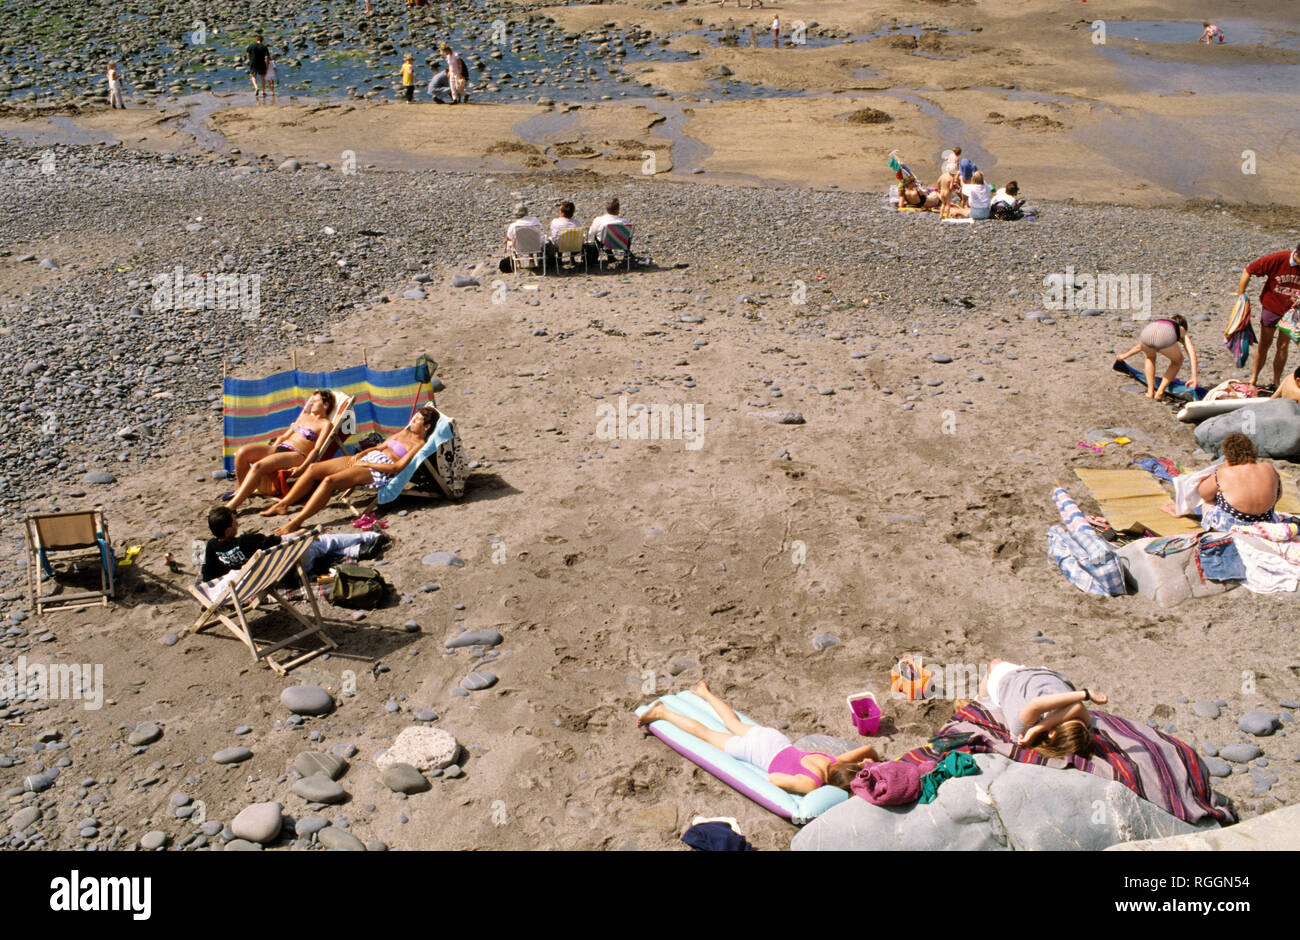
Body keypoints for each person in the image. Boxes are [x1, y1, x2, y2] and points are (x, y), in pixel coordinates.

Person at [637, 681, 880, 794]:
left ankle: (704, 692)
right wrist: (807, 790)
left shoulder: (833, 760)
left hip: (773, 739)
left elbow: (868, 749)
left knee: (732, 722)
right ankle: (662, 712)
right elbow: (774, 779)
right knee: (706, 733)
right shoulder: (812, 783)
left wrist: (874, 763)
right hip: (756, 752)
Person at [260, 404, 440, 534]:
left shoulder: (419, 444)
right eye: (414, 417)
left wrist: (367, 464)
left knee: (330, 481)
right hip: (367, 459)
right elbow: (380, 447)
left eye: (418, 420)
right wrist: (361, 455)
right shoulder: (404, 431)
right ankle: (283, 505)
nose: (413, 421)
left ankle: (296, 522)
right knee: (314, 468)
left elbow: (396, 467)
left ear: (426, 427)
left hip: (377, 470)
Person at [201, 507, 386, 584]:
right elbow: (281, 541)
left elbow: (209, 576)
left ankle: (362, 550)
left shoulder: (212, 548)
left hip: (266, 579)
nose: (237, 524)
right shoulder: (248, 541)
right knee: (324, 541)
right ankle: (373, 535)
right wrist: (305, 532)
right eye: (234, 523)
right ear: (227, 530)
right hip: (289, 570)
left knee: (319, 548)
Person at [225, 389, 338, 511]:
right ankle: (242, 490)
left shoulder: (325, 424)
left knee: (258, 466)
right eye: (311, 401)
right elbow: (284, 436)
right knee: (242, 453)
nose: (311, 403)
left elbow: (316, 450)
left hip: (296, 454)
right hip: (281, 448)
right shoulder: (304, 417)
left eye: (315, 401)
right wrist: (273, 448)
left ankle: (231, 507)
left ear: (325, 405)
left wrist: (302, 468)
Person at [978, 660, 1104, 756]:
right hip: (1044, 676)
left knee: (994, 663)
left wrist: (1037, 729)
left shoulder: (1022, 733)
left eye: (1063, 721)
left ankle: (978, 699)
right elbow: (1077, 707)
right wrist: (1085, 694)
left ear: (1051, 733)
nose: (1067, 716)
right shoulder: (1079, 734)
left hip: (1012, 681)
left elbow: (1036, 704)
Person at [1235, 243, 1300, 391]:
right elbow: (1248, 271)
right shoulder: (1279, 259)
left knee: (1283, 346)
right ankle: (1254, 379)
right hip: (1272, 307)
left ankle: (1276, 381)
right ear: (1296, 255)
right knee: (1264, 344)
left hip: (1292, 313)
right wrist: (1241, 295)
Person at [1197, 433, 1283, 528]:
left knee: (1208, 502)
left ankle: (1210, 527)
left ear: (1227, 455)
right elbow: (1278, 495)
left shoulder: (1223, 472)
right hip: (1266, 522)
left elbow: (1203, 494)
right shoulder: (1269, 467)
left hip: (1234, 526)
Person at [1113, 314, 1199, 400]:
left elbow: (1139, 347)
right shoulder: (1182, 330)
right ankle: (1160, 392)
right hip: (1165, 335)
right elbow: (1192, 353)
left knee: (1150, 357)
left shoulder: (1162, 322)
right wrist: (1194, 377)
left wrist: (1123, 356)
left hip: (1147, 332)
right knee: (1177, 361)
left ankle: (1150, 392)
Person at [247, 33, 270, 99]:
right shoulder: (264, 47)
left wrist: (250, 60)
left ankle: (256, 88)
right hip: (261, 63)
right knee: (262, 77)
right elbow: (266, 57)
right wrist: (267, 65)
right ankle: (263, 91)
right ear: (262, 40)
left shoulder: (251, 45)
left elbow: (248, 53)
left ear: (256, 39)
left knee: (253, 76)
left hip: (253, 63)